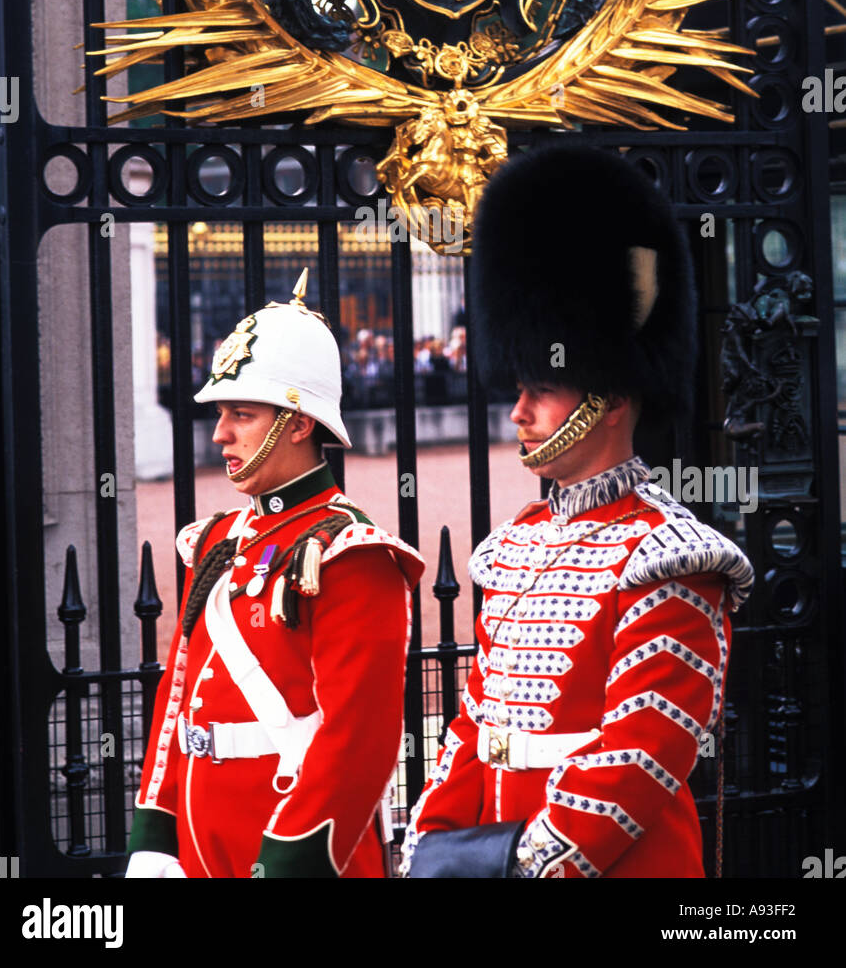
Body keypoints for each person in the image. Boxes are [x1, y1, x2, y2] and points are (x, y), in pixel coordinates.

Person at [400, 146, 754, 879]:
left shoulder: (674, 555)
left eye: (544, 390)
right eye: (520, 387)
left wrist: (521, 866)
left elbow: (640, 755)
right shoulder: (512, 548)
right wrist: (432, 846)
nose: (519, 412)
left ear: (612, 393)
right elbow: (474, 727)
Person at [126, 271, 424, 879]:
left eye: (242, 413)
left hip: (289, 835)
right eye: (221, 413)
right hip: (201, 835)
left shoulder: (351, 552)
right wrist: (155, 829)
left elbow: (359, 738)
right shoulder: (215, 541)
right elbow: (178, 692)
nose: (221, 434)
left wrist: (296, 856)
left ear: (298, 422)